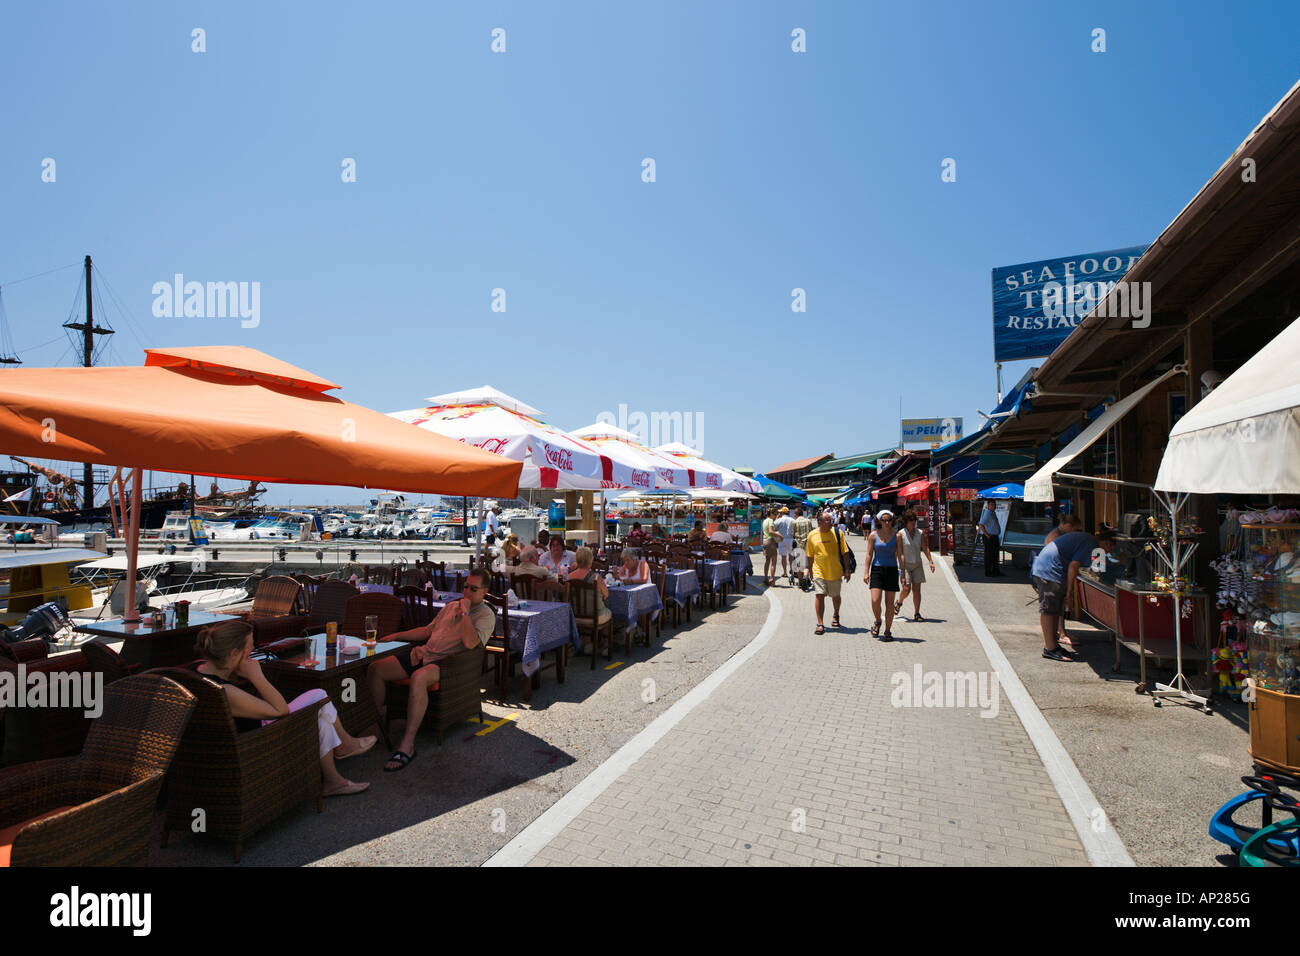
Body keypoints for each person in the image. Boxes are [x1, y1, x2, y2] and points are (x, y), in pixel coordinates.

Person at [193, 620, 375, 796]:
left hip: (235, 737)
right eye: (250, 646)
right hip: (257, 741)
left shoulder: (198, 670)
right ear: (234, 653)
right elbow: (281, 711)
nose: (253, 650)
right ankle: (344, 747)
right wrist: (257, 676)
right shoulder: (226, 692)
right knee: (319, 697)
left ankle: (334, 782)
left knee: (321, 718)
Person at [367, 568, 497, 770]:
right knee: (376, 668)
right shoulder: (450, 606)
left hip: (447, 663)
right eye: (465, 586)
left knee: (419, 677)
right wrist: (397, 635)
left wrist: (465, 612)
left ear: (484, 591)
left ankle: (408, 744)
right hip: (424, 653)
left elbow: (471, 643)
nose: (467, 592)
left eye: (473, 588)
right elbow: (428, 631)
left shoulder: (486, 614)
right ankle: (374, 727)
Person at [1031, 528, 1116, 661]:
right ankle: (1050, 648)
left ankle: (1054, 646)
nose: (1108, 553)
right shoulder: (1091, 543)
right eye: (1110, 550)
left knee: (1055, 611)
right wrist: (1069, 592)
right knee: (1049, 611)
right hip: (1049, 571)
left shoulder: (1090, 541)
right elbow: (1073, 566)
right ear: (1106, 543)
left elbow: (1090, 566)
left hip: (1050, 569)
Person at [804, 511, 852, 634]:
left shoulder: (837, 533)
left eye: (831, 520)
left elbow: (845, 552)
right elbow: (810, 555)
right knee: (819, 595)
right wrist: (809, 570)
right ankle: (820, 623)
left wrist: (847, 569)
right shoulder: (812, 535)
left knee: (835, 596)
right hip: (818, 570)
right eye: (828, 520)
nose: (832, 522)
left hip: (835, 571)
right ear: (819, 522)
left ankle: (836, 614)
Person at [864, 509, 904, 640]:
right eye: (884, 520)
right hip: (877, 569)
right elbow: (869, 554)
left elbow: (900, 555)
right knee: (875, 600)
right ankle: (878, 621)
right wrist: (866, 572)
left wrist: (903, 573)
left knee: (890, 603)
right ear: (879, 521)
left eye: (889, 520)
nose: (886, 522)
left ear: (892, 521)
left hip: (892, 569)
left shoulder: (897, 536)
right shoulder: (873, 535)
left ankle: (887, 630)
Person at [565, 547, 612, 650]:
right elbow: (606, 595)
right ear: (590, 560)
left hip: (576, 616)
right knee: (607, 610)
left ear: (577, 560)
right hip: (594, 617)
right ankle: (606, 645)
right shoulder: (596, 577)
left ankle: (587, 642)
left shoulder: (569, 577)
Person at [894, 510, 936, 621]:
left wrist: (930, 561)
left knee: (917, 590)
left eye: (914, 520)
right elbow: (899, 553)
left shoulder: (920, 533)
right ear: (906, 522)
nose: (913, 522)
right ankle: (899, 603)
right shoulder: (900, 534)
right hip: (905, 565)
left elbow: (925, 547)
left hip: (917, 564)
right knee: (907, 588)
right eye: (911, 520)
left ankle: (917, 613)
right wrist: (901, 570)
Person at [977, 499, 1004, 576]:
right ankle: (988, 572)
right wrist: (987, 535)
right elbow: (981, 524)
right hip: (989, 537)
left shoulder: (992, 513)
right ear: (988, 506)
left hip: (994, 536)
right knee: (989, 555)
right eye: (991, 505)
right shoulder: (988, 513)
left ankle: (996, 571)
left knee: (995, 555)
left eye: (994, 504)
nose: (993, 506)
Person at [762, 508, 782, 586]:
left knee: (767, 561)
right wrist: (779, 535)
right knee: (774, 561)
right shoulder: (770, 521)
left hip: (765, 541)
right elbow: (770, 531)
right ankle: (772, 580)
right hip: (770, 541)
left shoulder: (765, 520)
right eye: (775, 514)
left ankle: (765, 578)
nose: (776, 516)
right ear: (771, 514)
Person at [775, 506, 795, 581]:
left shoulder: (779, 520)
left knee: (783, 557)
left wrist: (777, 518)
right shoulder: (792, 520)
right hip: (791, 539)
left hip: (782, 539)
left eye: (780, 512)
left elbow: (774, 527)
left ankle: (785, 572)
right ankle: (792, 571)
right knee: (791, 556)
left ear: (782, 512)